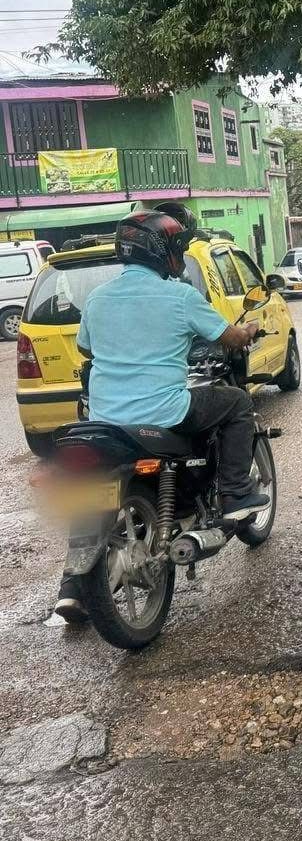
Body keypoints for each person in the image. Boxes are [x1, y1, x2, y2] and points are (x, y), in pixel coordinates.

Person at [52, 204, 266, 623]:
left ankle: (72, 588)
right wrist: (250, 331)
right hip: (164, 411)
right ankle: (235, 493)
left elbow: (86, 348)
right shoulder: (180, 296)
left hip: (105, 420)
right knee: (237, 404)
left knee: (93, 489)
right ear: (164, 252)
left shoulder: (97, 298)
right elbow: (230, 336)